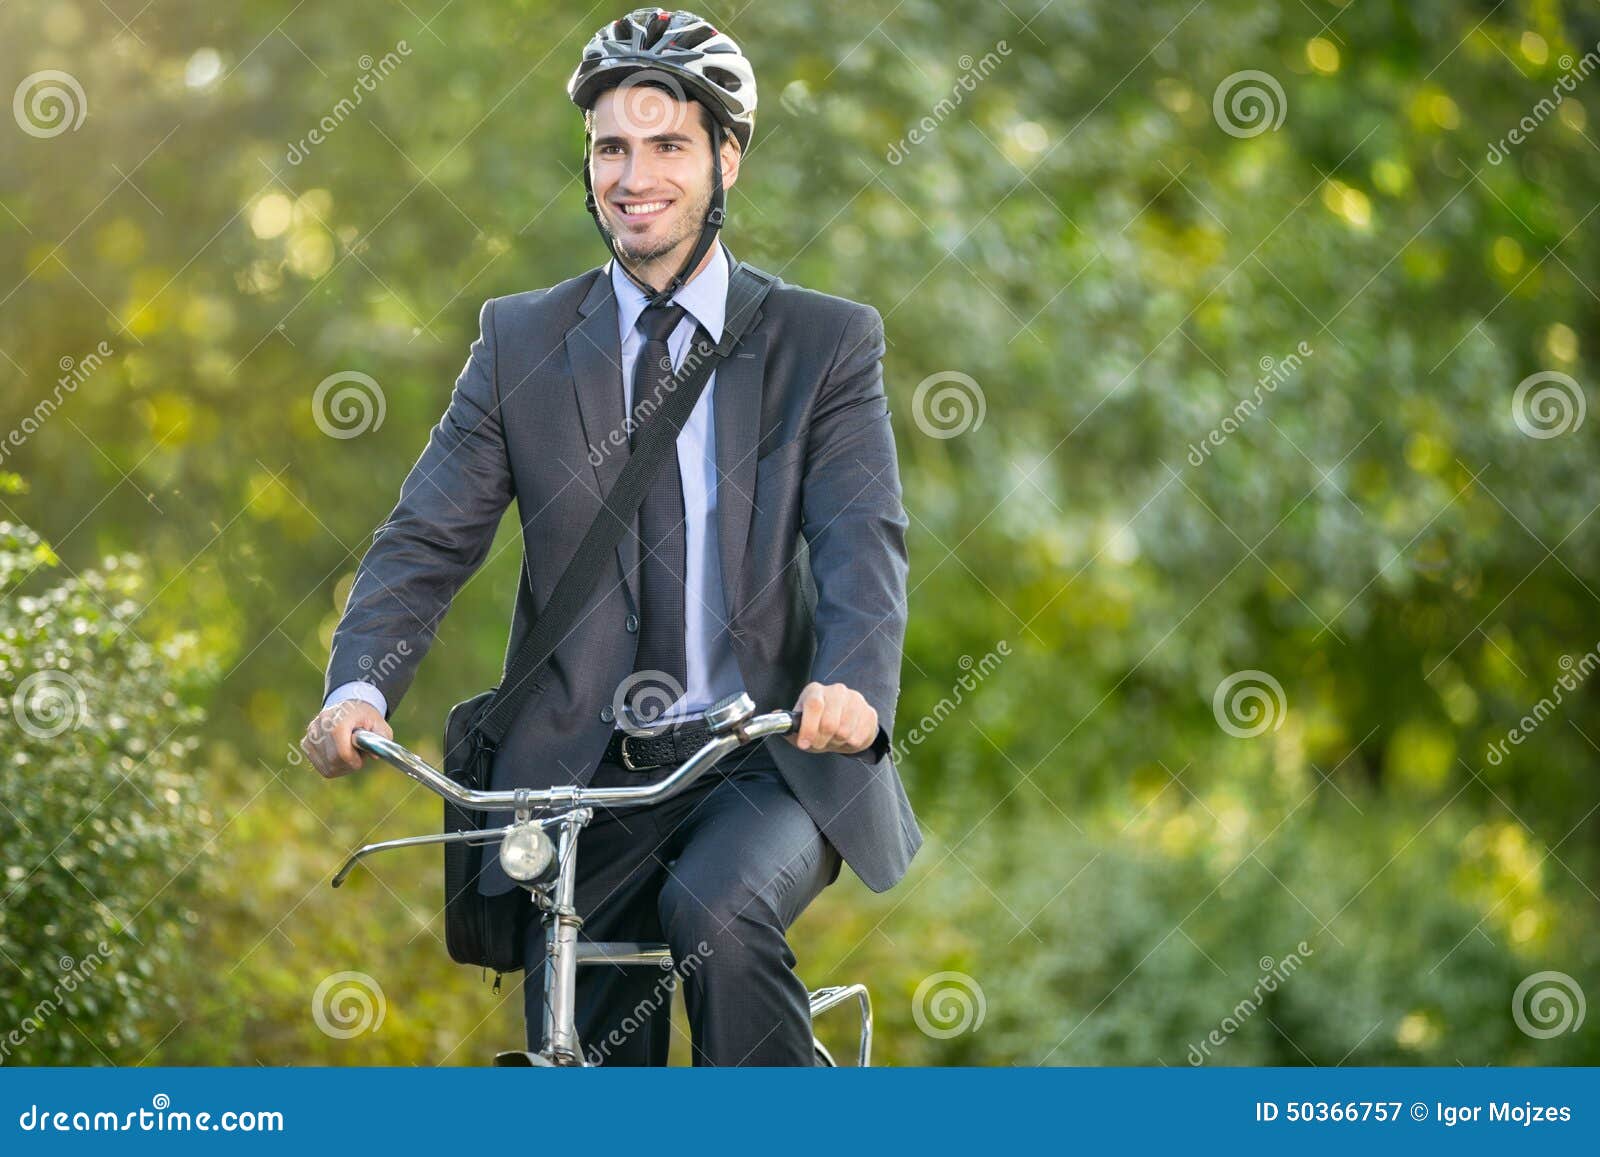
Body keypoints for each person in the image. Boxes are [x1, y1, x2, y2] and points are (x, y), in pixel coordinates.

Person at [300, 7, 919, 1066]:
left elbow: (863, 539)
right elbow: (427, 539)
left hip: (757, 758)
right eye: (610, 148)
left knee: (718, 910)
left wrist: (853, 686)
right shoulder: (520, 341)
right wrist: (357, 685)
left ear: (725, 160)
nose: (635, 177)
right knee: (584, 1062)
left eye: (668, 145)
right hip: (578, 781)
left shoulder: (820, 343)